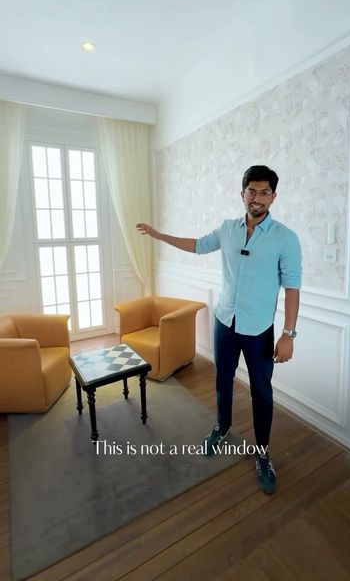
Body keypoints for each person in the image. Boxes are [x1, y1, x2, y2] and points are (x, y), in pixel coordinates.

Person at [136, 164, 301, 494]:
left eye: (264, 192)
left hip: (258, 330)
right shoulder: (227, 229)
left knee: (261, 392)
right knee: (222, 380)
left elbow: (293, 288)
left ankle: (262, 454)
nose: (257, 198)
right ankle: (221, 427)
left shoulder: (286, 238)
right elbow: (197, 245)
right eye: (251, 191)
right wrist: (158, 235)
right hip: (225, 322)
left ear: (274, 196)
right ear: (242, 194)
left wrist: (288, 334)